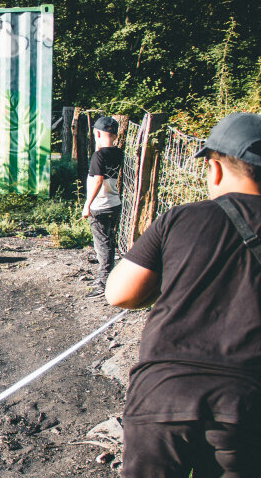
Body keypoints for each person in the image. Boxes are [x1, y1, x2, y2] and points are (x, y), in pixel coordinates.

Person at [106, 112, 261, 477]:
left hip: (163, 393)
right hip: (247, 401)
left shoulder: (181, 218)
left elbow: (119, 293)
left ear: (215, 169)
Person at [81, 116, 124, 297]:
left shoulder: (98, 156)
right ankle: (105, 275)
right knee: (109, 241)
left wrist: (87, 205)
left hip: (100, 205)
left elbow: (98, 179)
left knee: (102, 244)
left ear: (97, 133)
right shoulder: (118, 153)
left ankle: (104, 282)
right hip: (114, 203)